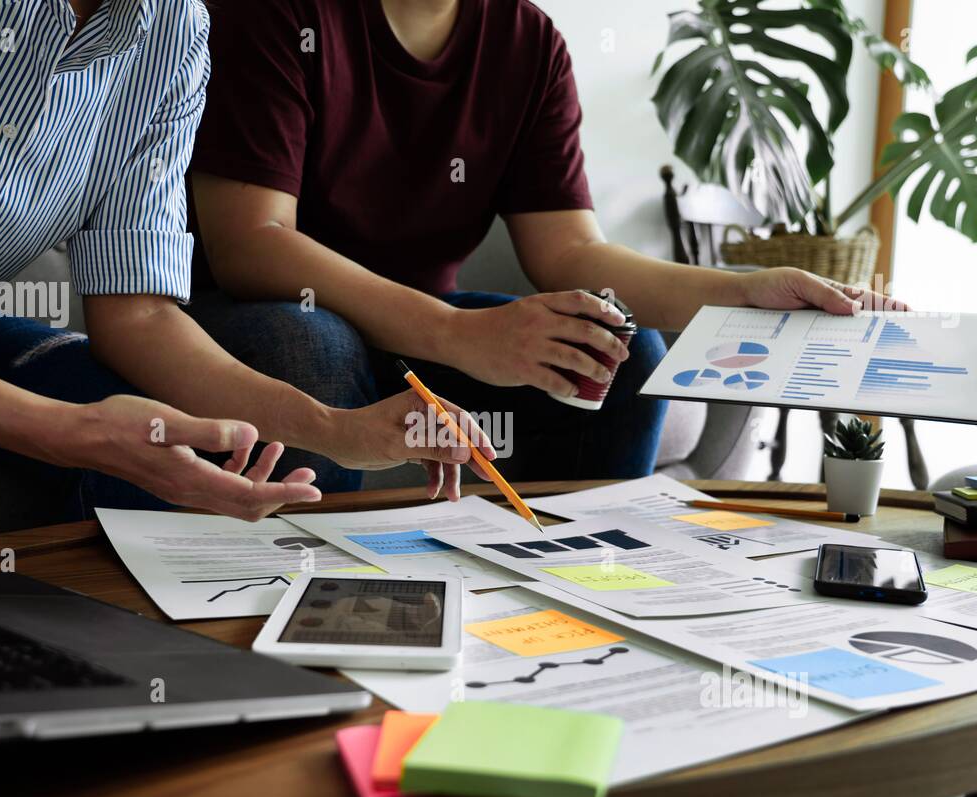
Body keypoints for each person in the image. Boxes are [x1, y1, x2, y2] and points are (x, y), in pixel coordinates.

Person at [0, 0, 490, 560]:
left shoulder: (173, 30)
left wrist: (339, 428)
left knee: (192, 455)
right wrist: (67, 429)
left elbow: (137, 317)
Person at [188, 0, 907, 491]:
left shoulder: (527, 43)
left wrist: (742, 291)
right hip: (259, 318)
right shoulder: (274, 16)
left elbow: (570, 254)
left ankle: (580, 583)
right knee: (314, 342)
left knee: (618, 348)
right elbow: (252, 244)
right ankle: (319, 598)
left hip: (422, 335)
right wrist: (459, 334)